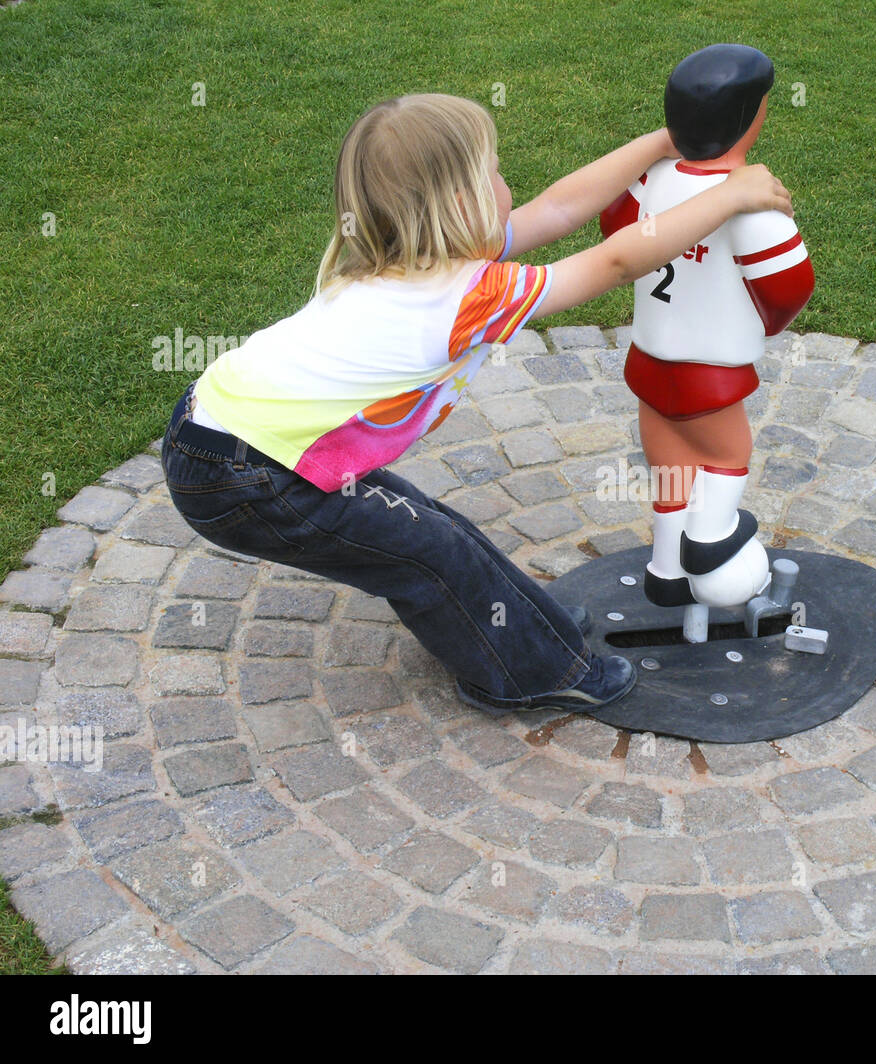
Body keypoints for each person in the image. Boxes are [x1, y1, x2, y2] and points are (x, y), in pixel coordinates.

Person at [161, 93, 792, 716]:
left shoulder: (409, 258)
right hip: (249, 478)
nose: (506, 181)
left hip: (220, 435)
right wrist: (729, 197)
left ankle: (524, 627)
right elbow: (618, 260)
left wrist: (664, 142)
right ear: (462, 202)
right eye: (494, 171)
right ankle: (531, 674)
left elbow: (561, 206)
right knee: (431, 556)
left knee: (437, 531)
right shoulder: (465, 294)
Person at [600, 45, 815, 614]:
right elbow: (789, 288)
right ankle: (711, 537)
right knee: (726, 453)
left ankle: (666, 570)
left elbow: (613, 224)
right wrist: (761, 325)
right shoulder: (754, 205)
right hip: (710, 371)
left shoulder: (653, 181)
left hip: (647, 361)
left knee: (670, 466)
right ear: (752, 117)